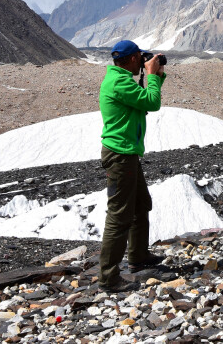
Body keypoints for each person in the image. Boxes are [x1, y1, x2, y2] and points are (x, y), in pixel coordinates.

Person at [97, 39, 167, 292]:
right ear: (132, 59)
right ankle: (108, 278)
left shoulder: (121, 79)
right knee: (119, 216)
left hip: (127, 153)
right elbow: (152, 103)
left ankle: (138, 258)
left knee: (139, 205)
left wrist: (153, 75)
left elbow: (144, 101)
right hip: (120, 155)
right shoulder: (119, 82)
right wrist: (152, 76)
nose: (143, 59)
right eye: (140, 57)